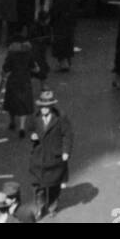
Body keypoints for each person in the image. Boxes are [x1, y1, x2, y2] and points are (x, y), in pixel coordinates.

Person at [27, 90, 73, 220]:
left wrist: (66, 152)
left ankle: (52, 206)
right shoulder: (35, 117)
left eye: (46, 107)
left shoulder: (60, 117)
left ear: (51, 106)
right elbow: (30, 130)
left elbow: (67, 135)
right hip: (39, 157)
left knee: (53, 185)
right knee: (38, 185)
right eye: (41, 106)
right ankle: (40, 207)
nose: (43, 109)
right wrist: (32, 137)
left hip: (54, 157)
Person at [49, 0, 79, 72]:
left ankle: (63, 64)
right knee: (67, 43)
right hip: (69, 24)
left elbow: (56, 10)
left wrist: (52, 20)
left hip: (61, 24)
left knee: (60, 44)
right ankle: (66, 63)